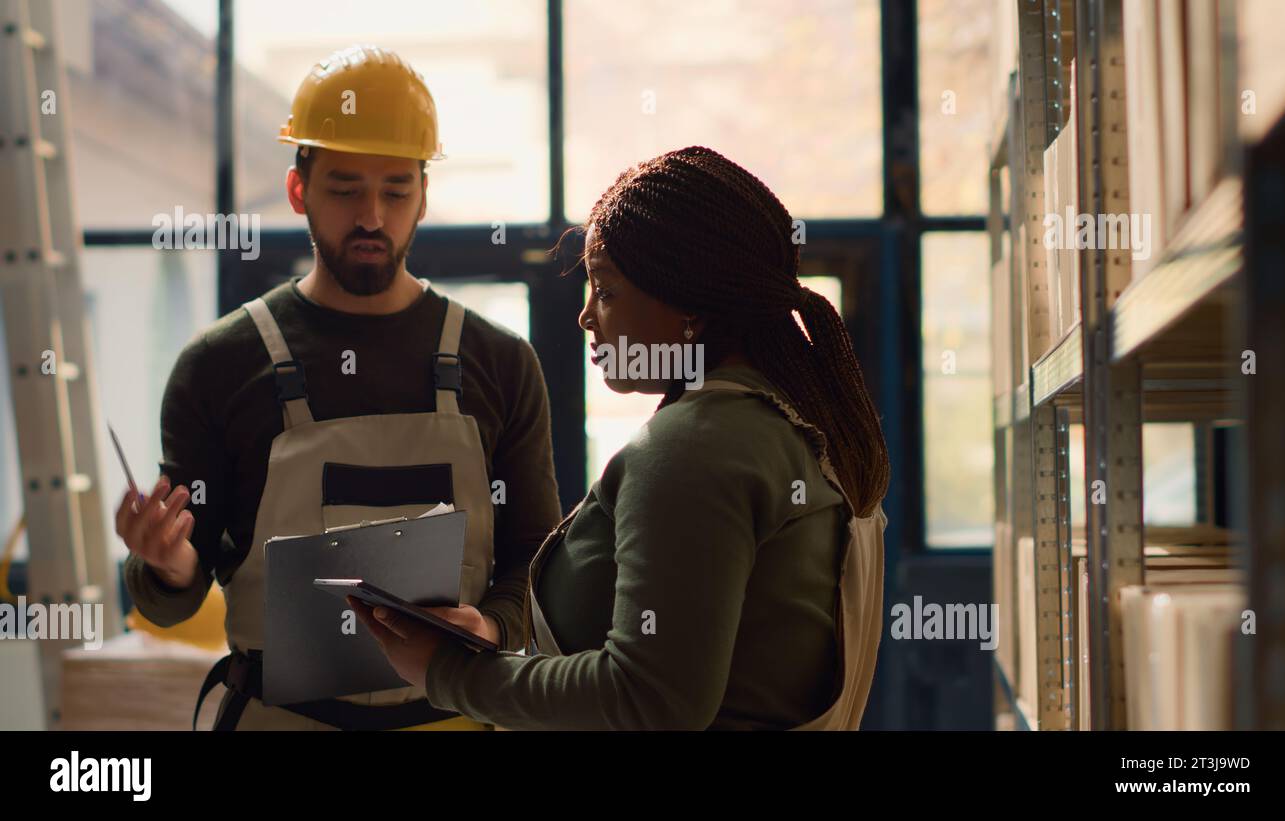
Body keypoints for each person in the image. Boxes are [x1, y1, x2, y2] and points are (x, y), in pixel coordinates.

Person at [356, 145, 891, 730]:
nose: (587, 317)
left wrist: (450, 674)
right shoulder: (792, 424)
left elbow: (649, 699)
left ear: (690, 302)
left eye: (605, 290)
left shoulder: (695, 446)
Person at [114, 45, 561, 730]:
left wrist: (493, 627)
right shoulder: (219, 365)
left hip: (454, 717)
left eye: (396, 190)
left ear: (424, 192)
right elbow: (171, 599)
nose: (373, 218)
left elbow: (537, 557)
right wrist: (169, 563)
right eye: (346, 188)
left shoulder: (499, 363)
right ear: (299, 190)